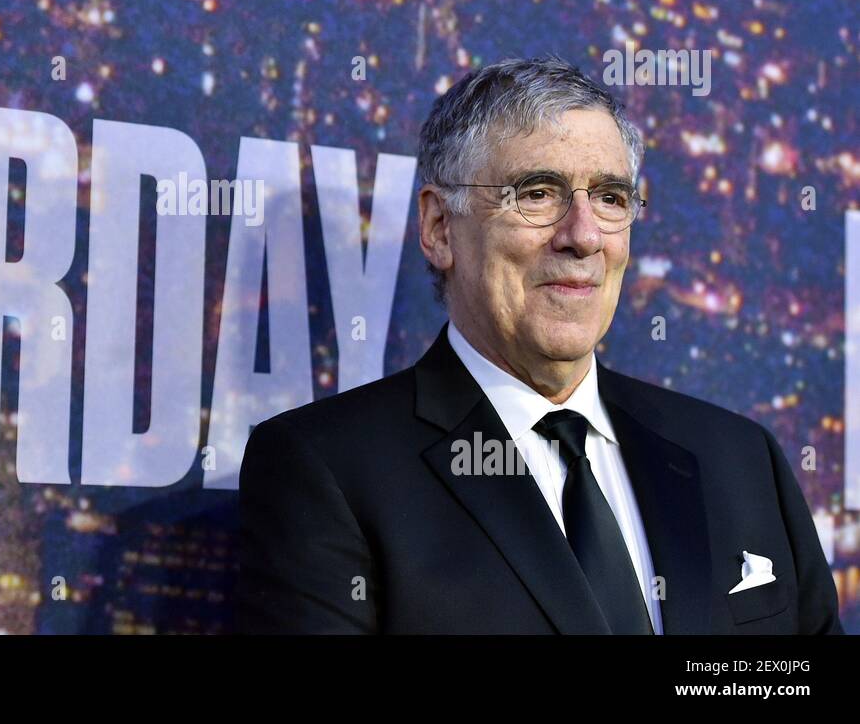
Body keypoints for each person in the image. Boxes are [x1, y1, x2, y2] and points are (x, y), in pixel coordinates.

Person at [234, 56, 844, 634]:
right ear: (440, 228)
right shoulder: (328, 470)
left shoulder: (740, 459)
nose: (583, 236)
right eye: (537, 193)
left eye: (610, 198)